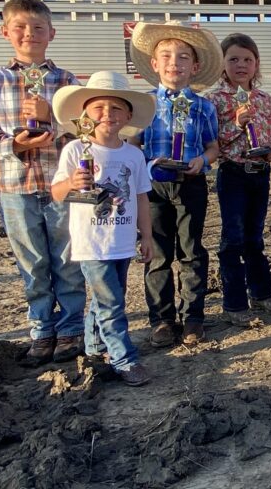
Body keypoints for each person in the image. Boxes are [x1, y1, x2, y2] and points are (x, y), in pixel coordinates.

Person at [0, 0, 86, 366]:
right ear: (5, 32)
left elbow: (85, 128)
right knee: (32, 262)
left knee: (66, 259)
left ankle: (70, 328)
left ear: (51, 33)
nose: (29, 34)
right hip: (16, 186)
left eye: (37, 28)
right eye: (20, 27)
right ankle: (41, 328)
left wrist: (52, 118)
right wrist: (11, 145)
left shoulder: (66, 81)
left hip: (61, 183)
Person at [50, 71, 156, 386]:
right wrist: (72, 183)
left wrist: (146, 235)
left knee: (107, 297)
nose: (107, 114)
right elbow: (56, 193)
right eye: (99, 108)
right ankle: (125, 360)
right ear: (85, 115)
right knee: (112, 302)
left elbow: (141, 198)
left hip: (122, 239)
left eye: (115, 108)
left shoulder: (133, 155)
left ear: (128, 115)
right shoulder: (75, 151)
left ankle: (95, 348)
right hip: (91, 242)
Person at [130, 21, 222, 347]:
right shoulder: (142, 106)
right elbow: (133, 146)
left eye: (183, 57)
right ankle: (162, 319)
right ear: (154, 64)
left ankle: (194, 316)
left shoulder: (204, 106)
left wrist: (204, 160)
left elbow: (213, 146)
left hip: (191, 184)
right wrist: (146, 163)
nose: (174, 63)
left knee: (192, 251)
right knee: (156, 253)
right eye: (166, 56)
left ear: (194, 67)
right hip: (153, 188)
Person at [206, 33, 271, 326]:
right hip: (233, 175)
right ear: (222, 63)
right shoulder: (214, 100)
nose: (241, 65)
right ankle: (234, 303)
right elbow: (214, 141)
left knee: (255, 238)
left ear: (256, 65)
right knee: (233, 239)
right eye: (234, 59)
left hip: (260, 175)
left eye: (247, 60)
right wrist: (235, 124)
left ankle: (262, 294)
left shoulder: (265, 100)